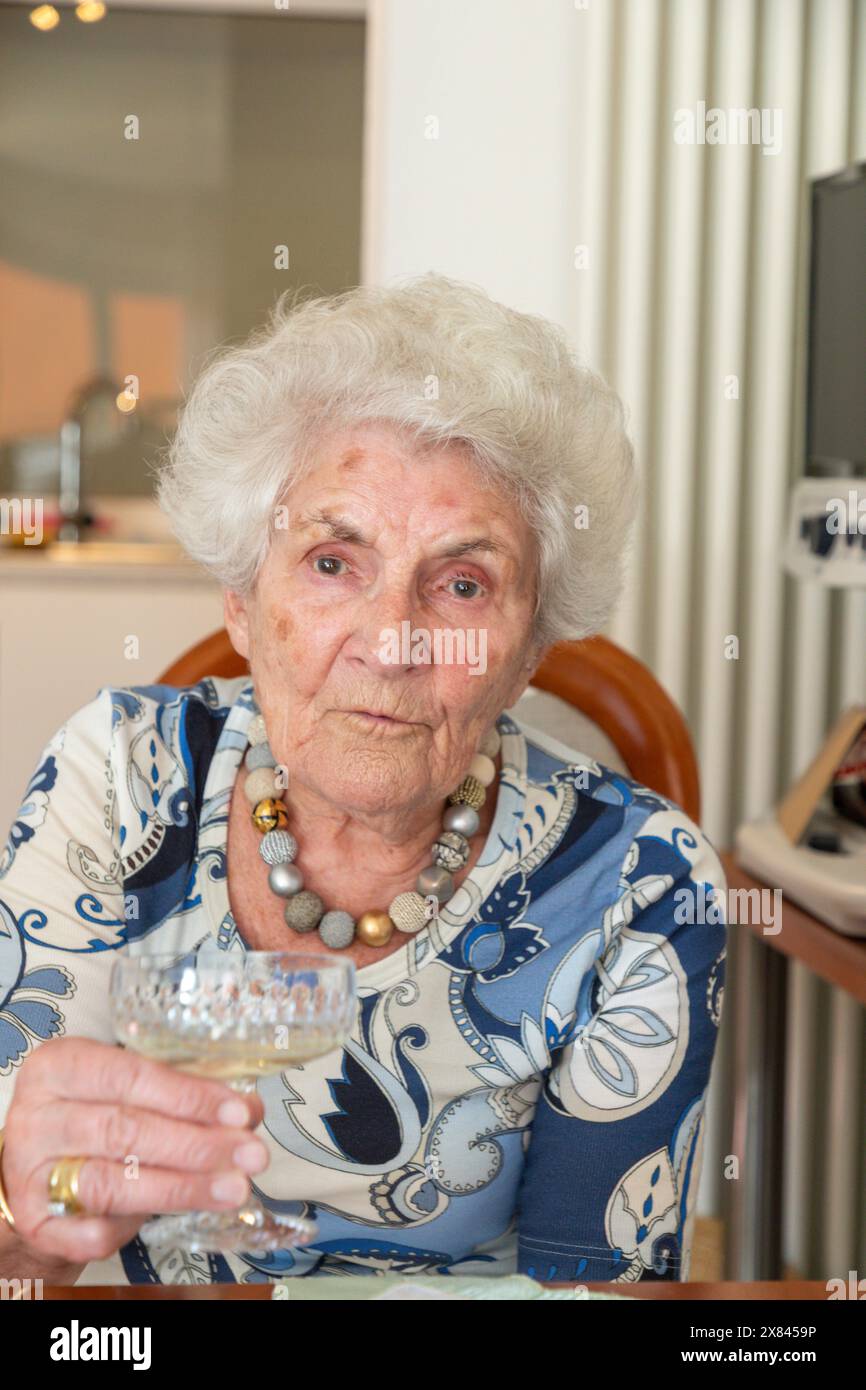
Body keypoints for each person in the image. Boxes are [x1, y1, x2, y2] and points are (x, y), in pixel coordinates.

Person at [0, 273, 727, 1285]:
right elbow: (26, 1246)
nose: (391, 642)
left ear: (529, 650)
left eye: (462, 583)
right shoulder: (118, 778)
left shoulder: (638, 882)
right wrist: (19, 1203)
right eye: (333, 561)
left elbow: (591, 1295)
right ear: (244, 601)